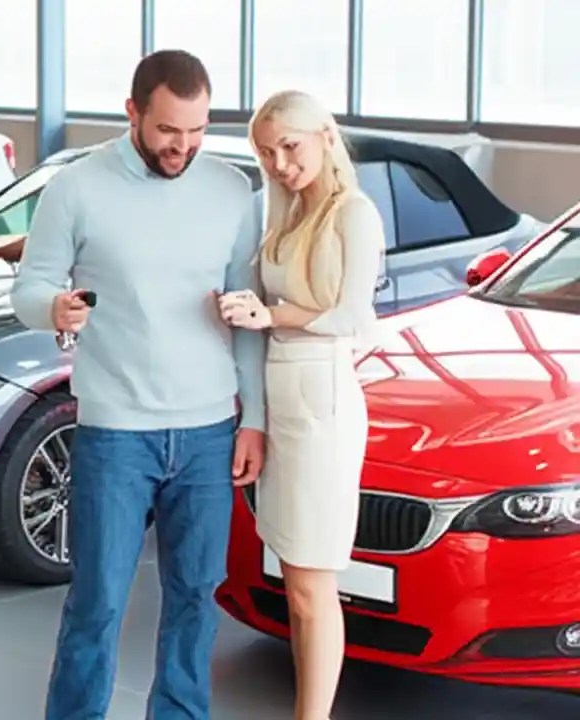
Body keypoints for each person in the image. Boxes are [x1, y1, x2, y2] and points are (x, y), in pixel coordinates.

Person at [10, 49, 267, 720]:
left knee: (195, 598)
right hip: (115, 433)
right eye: (168, 131)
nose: (183, 146)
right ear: (132, 113)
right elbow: (30, 286)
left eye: (197, 130)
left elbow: (248, 317)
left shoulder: (232, 192)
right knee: (97, 602)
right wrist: (52, 308)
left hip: (209, 434)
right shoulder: (77, 187)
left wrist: (255, 419)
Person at [216, 89, 386, 720]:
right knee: (295, 583)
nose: (280, 164)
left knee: (313, 586)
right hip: (285, 397)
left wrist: (271, 315)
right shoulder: (283, 215)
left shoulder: (354, 214)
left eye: (289, 146)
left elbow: (352, 315)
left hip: (323, 404)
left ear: (325, 136)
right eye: (267, 153)